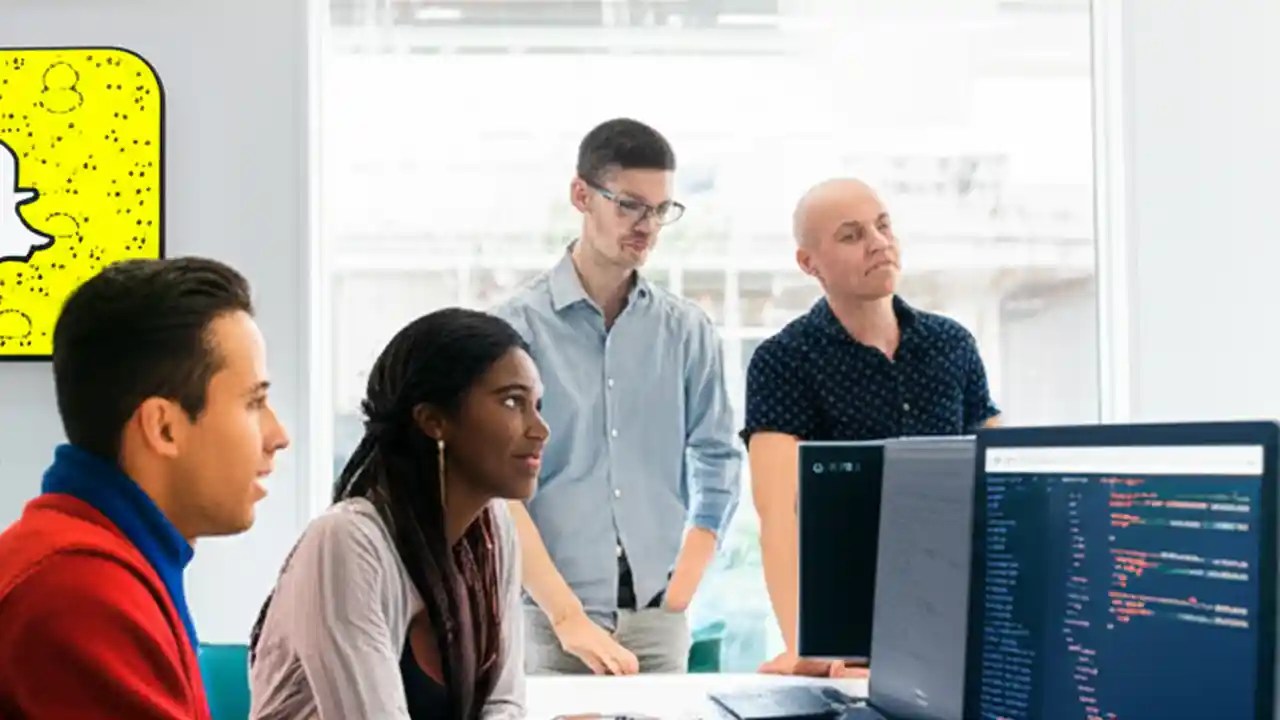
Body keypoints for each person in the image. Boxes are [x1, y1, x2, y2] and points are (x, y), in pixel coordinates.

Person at [494, 117, 741, 675]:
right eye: (629, 204)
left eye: (660, 210)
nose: (646, 226)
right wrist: (564, 617)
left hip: (658, 620)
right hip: (545, 623)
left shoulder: (687, 331)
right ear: (582, 195)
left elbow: (719, 460)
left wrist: (679, 593)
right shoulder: (513, 330)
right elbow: (498, 488)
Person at [0, 257, 291, 718]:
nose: (278, 435)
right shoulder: (79, 593)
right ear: (164, 428)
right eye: (254, 402)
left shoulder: (104, 564)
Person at [743, 178, 1001, 677]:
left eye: (883, 226)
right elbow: (778, 515)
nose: (879, 243)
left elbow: (1000, 487)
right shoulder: (784, 360)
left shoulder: (953, 345)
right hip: (847, 628)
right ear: (808, 263)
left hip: (955, 613)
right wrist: (808, 649)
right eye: (851, 235)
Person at [248, 308, 545, 720]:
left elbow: (504, 705)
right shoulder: (348, 543)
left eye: (537, 404)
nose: (540, 429)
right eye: (513, 402)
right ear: (434, 420)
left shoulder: (494, 533)